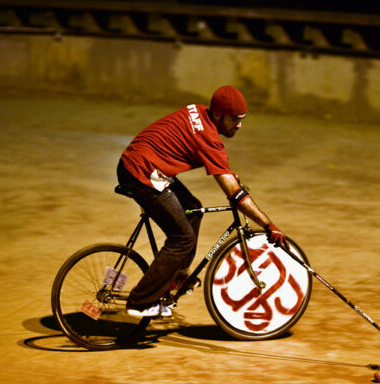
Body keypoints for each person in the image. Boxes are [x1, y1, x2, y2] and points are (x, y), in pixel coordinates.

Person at [117, 85, 288, 317]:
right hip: (140, 174)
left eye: (242, 119)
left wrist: (227, 174)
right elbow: (234, 196)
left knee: (193, 209)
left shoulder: (198, 110)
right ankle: (140, 302)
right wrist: (268, 224)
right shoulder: (208, 139)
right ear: (218, 115)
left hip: (142, 163)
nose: (239, 125)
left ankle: (175, 277)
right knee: (182, 239)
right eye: (235, 119)